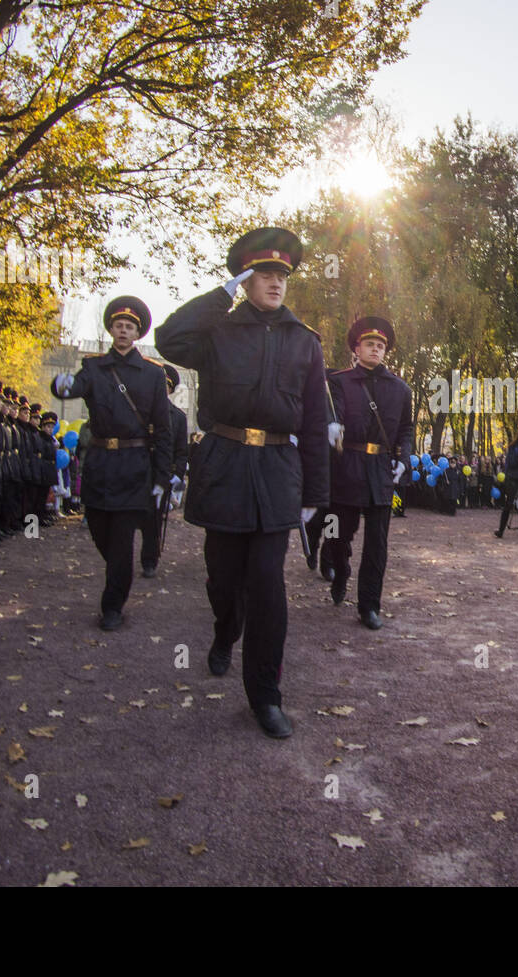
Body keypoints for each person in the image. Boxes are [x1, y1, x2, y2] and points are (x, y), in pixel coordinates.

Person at [155, 228, 326, 739]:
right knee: (222, 578)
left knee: (269, 587)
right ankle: (225, 630)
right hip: (225, 463)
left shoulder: (305, 342)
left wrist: (315, 496)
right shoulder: (217, 333)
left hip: (277, 469)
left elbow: (315, 422)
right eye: (264, 275)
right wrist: (223, 292)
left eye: (282, 276)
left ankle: (265, 696)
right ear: (247, 281)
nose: (275, 283)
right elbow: (167, 337)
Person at [53, 296, 173, 631]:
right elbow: (73, 387)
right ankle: (120, 571)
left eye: (130, 327)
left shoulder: (152, 373)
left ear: (137, 334)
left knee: (121, 540)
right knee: (99, 530)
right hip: (101, 463)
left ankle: (112, 606)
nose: (123, 331)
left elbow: (163, 429)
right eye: (119, 325)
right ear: (111, 330)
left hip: (134, 466)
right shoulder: (93, 367)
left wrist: (163, 476)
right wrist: (60, 386)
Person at [318, 316, 413, 630]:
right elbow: (335, 411)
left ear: (386, 351)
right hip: (347, 466)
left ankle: (369, 605)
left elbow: (406, 430)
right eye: (369, 344)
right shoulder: (340, 381)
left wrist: (405, 459)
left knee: (377, 545)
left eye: (380, 345)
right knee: (337, 534)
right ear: (356, 348)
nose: (375, 349)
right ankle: (340, 570)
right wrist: (333, 423)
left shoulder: (400, 389)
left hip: (381, 471)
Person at [139, 364, 190, 578]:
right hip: (138, 472)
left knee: (154, 519)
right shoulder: (140, 411)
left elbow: (181, 450)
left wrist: (177, 474)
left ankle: (149, 559)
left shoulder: (177, 417)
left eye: (165, 386)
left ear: (170, 390)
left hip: (161, 475)